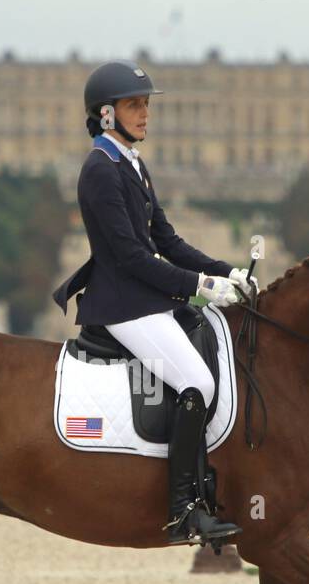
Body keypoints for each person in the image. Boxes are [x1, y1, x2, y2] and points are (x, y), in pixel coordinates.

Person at [52, 59, 253, 546]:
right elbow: (132, 257)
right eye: (134, 105)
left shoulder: (132, 164)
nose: (145, 114)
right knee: (197, 383)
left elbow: (167, 239)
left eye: (145, 104)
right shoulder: (100, 170)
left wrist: (225, 271)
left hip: (145, 299)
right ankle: (184, 509)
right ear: (106, 114)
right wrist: (200, 287)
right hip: (123, 305)